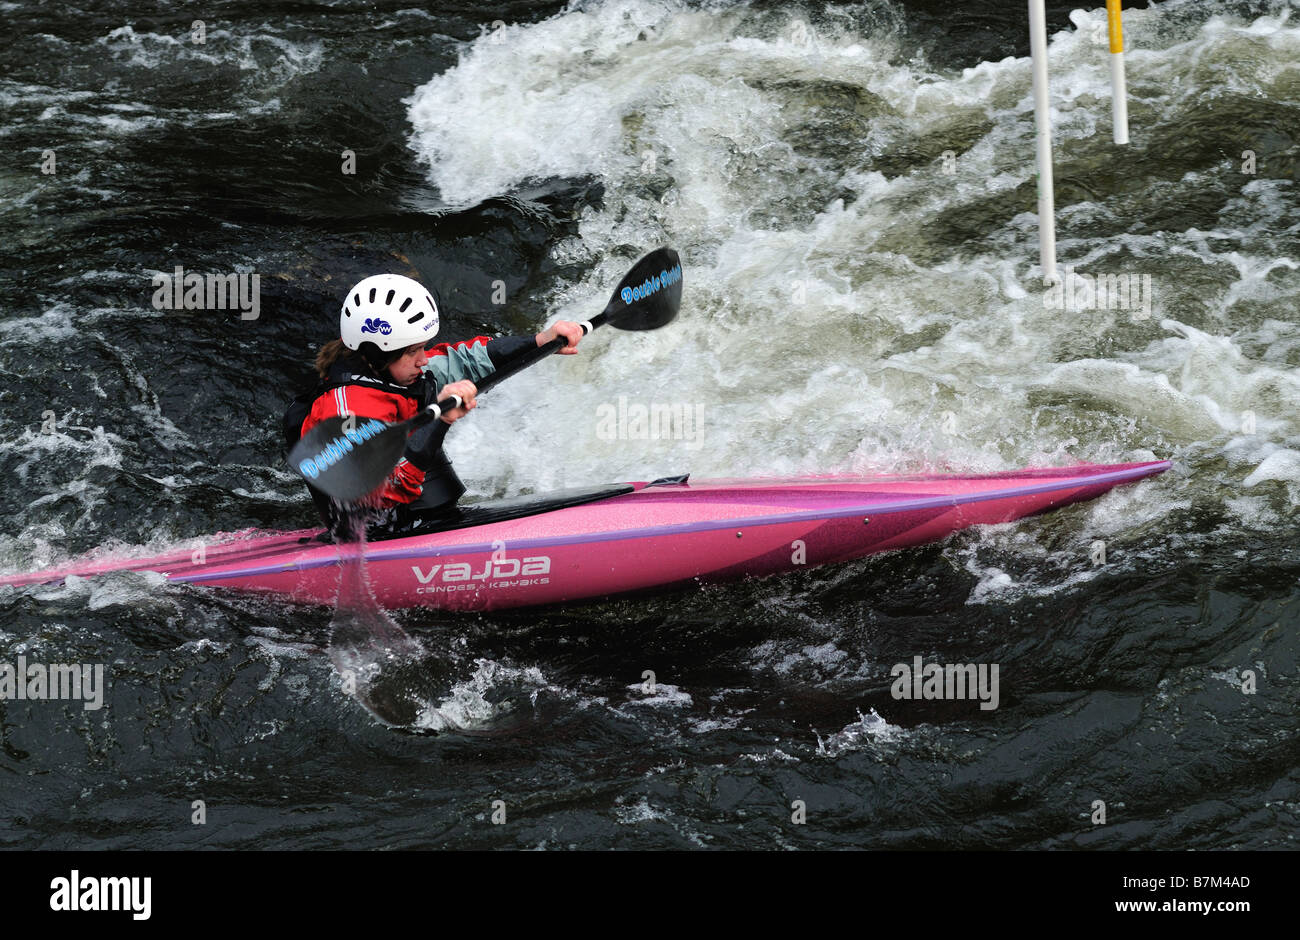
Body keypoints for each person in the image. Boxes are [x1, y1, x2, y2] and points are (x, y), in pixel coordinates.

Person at [284, 272, 584, 540]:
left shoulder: (395, 373)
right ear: (376, 355)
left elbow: (464, 360)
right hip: (373, 531)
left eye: (423, 347)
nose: (424, 359)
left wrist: (540, 341)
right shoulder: (344, 412)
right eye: (414, 351)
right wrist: (441, 419)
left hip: (423, 516)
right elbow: (389, 489)